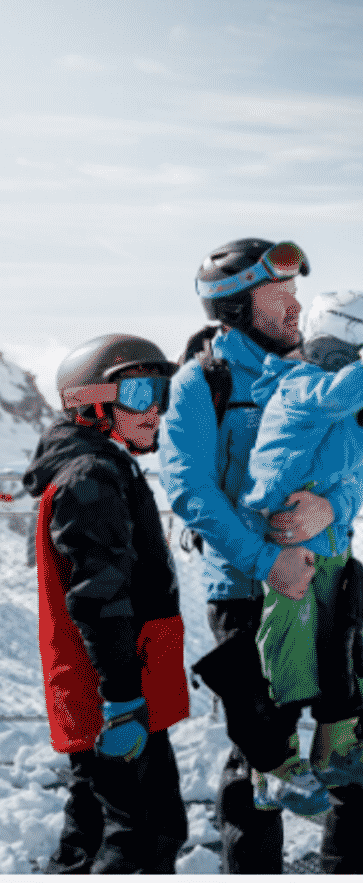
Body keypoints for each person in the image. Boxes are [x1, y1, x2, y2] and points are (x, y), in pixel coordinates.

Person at [158, 238, 363, 874]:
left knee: (358, 731)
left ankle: (352, 868)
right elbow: (190, 494)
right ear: (236, 308)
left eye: (293, 296)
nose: (296, 307)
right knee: (260, 748)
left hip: (328, 576)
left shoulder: (320, 371)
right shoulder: (204, 382)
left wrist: (330, 509)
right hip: (247, 587)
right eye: (277, 298)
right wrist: (265, 561)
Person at [235, 290, 363, 795]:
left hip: (328, 542)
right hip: (285, 544)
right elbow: (341, 394)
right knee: (287, 650)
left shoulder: (358, 405)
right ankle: (273, 765)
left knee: (343, 637)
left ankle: (336, 747)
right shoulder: (301, 385)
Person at [24, 334, 188, 873]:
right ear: (90, 401)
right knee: (145, 832)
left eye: (162, 394)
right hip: (113, 694)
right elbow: (98, 597)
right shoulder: (91, 477)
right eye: (140, 393)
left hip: (113, 687)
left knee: (93, 825)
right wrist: (122, 699)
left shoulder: (96, 466)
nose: (155, 410)